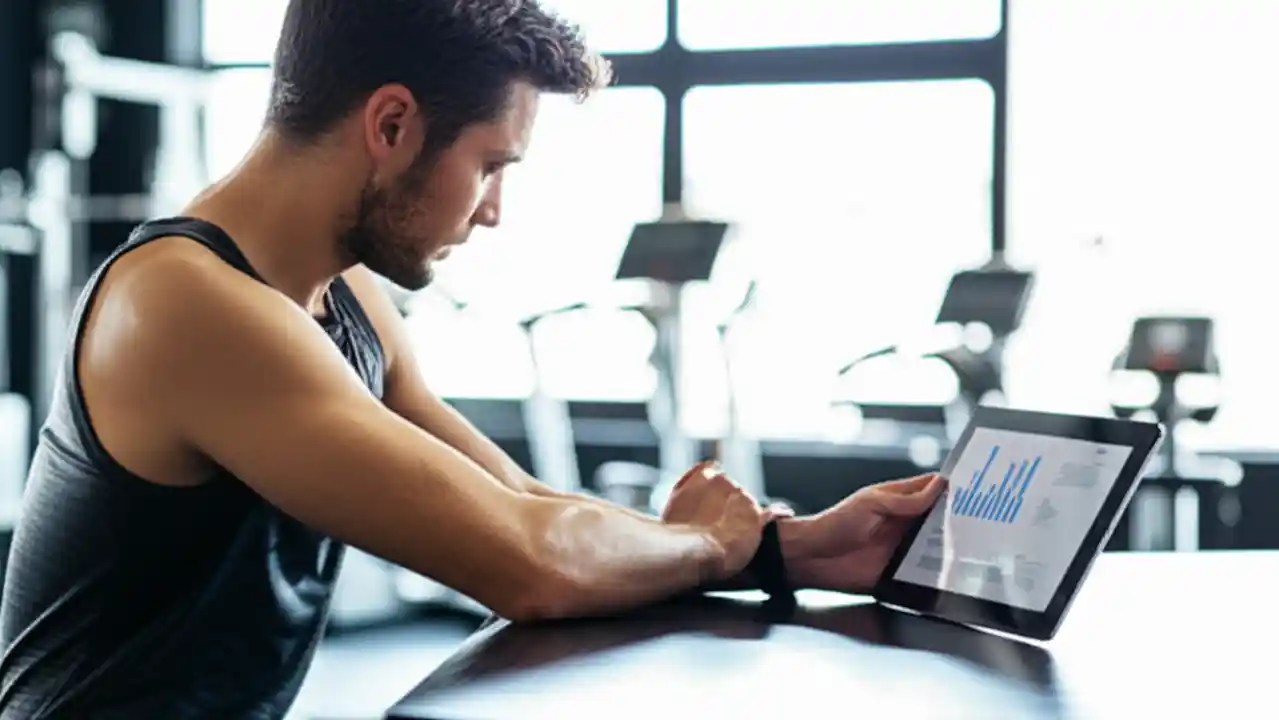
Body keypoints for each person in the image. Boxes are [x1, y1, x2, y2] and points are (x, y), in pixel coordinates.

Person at [0, 1, 945, 718]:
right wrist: (710, 544)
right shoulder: (186, 306)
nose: (491, 209)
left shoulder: (343, 295)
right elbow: (526, 565)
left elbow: (520, 505)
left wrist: (794, 547)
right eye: (491, 165)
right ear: (392, 124)